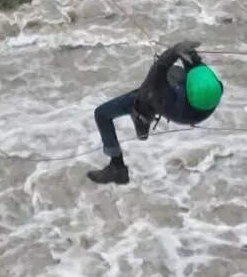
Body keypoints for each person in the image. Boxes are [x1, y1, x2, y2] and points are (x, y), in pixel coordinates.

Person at [88, 41, 224, 185]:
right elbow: (194, 66)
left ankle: (118, 165)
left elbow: (160, 67)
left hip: (175, 109)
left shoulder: (168, 99)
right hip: (198, 111)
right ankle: (144, 113)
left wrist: (173, 52)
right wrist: (189, 53)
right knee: (175, 72)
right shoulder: (213, 88)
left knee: (103, 113)